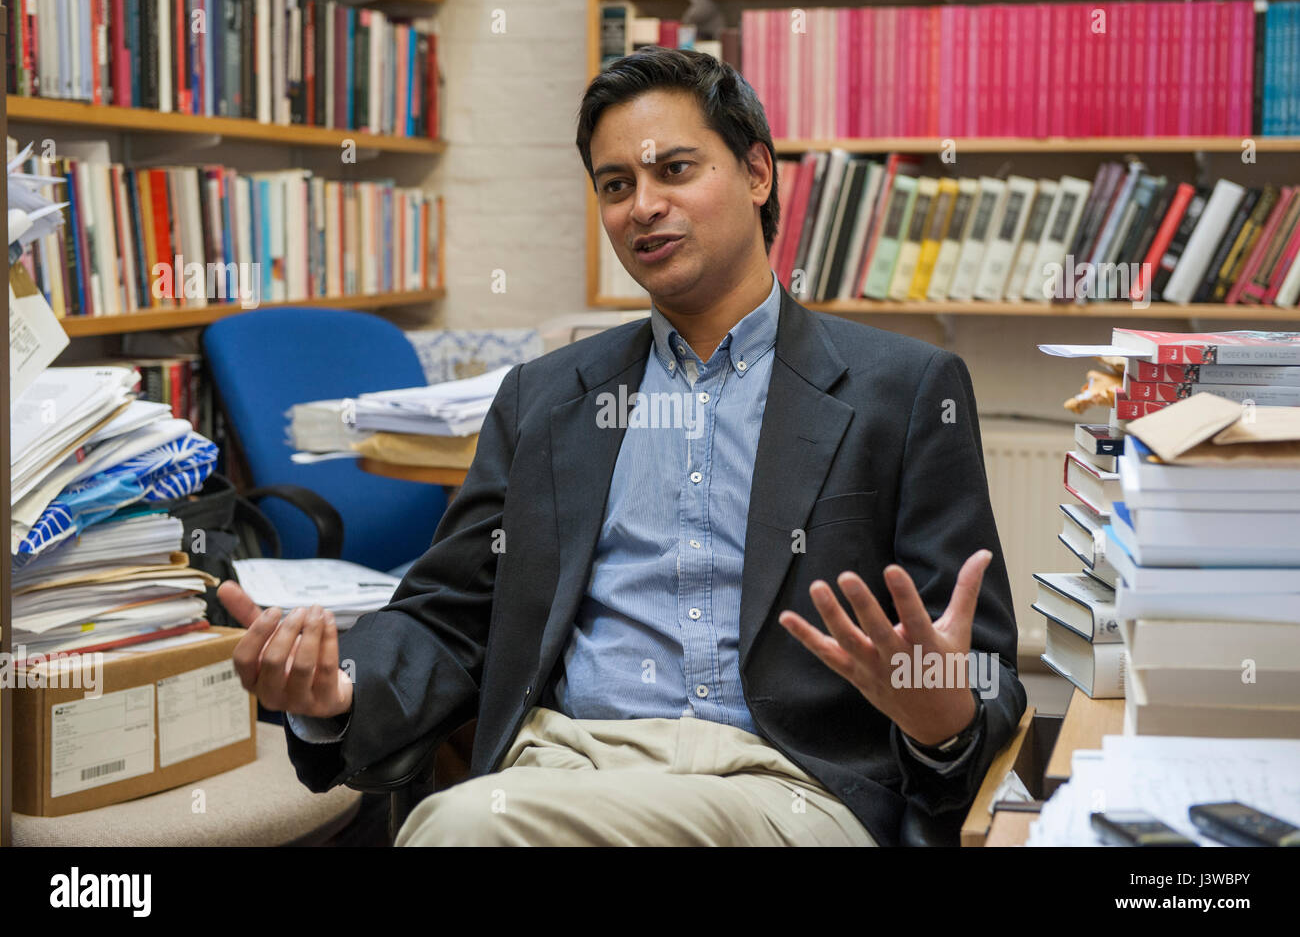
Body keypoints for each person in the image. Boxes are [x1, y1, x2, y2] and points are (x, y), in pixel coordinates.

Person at [222, 46, 1025, 846]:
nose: (642, 206)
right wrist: (337, 687)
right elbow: (452, 615)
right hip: (564, 766)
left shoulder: (904, 389)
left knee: (459, 830)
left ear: (757, 173)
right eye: (616, 186)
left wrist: (940, 713)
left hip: (787, 785)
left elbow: (978, 669)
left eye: (674, 170)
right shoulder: (544, 399)